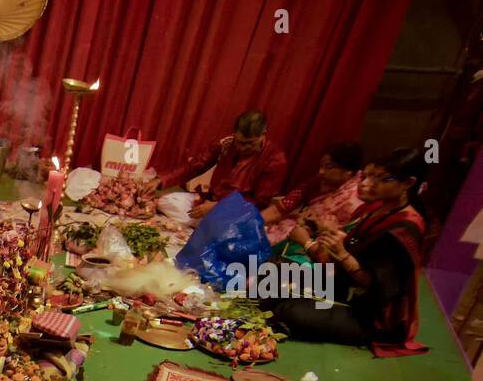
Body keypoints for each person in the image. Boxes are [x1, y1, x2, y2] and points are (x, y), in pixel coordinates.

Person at [264, 148, 428, 355]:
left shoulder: (405, 230)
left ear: (408, 183)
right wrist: (323, 231)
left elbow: (374, 285)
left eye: (382, 179)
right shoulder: (374, 207)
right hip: (340, 281)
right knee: (270, 268)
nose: (368, 184)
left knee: (290, 312)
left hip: (369, 311)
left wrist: (341, 254)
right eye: (368, 176)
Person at [163, 110, 289, 218]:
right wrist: (161, 180)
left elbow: (260, 203)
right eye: (239, 142)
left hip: (238, 213)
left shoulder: (275, 158)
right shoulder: (227, 143)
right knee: (167, 201)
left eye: (249, 143)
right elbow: (197, 165)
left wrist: (219, 207)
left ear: (263, 135)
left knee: (222, 227)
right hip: (210, 201)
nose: (242, 148)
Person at [263, 142, 364, 251]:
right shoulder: (316, 182)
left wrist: (316, 226)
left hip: (315, 248)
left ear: (348, 171)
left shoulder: (356, 199)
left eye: (329, 167)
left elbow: (341, 238)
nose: (321, 172)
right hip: (292, 230)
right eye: (321, 166)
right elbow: (279, 209)